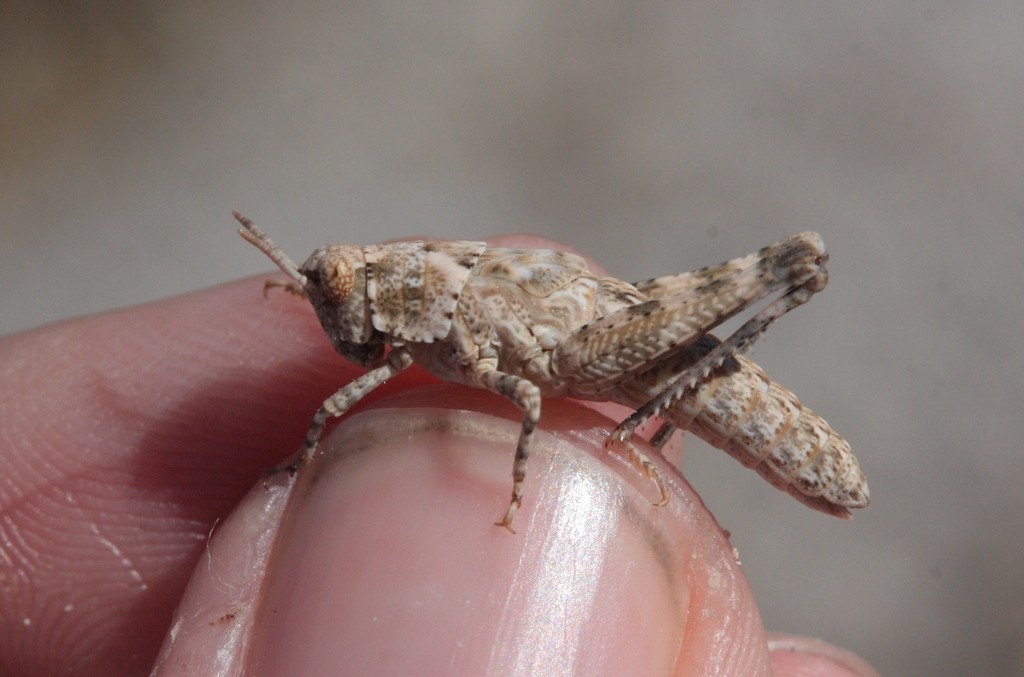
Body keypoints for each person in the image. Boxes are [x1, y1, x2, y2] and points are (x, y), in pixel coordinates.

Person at [0, 235, 877, 676]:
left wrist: (537, 492)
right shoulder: (416, 301)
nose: (334, 309)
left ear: (392, 287)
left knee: (787, 265)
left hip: (608, 345)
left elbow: (530, 394)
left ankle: (631, 432)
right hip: (590, 337)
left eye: (339, 290)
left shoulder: (457, 309)